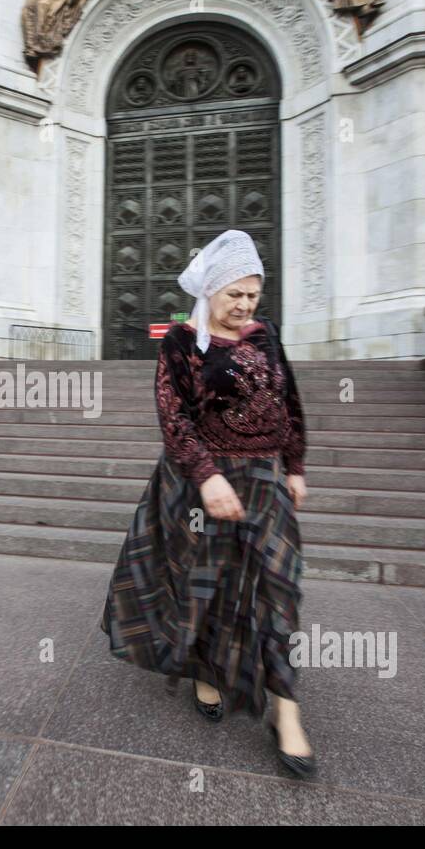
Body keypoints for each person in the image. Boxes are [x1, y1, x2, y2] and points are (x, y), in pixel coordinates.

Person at [99, 229, 315, 777]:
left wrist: (294, 464)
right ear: (211, 291)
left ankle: (285, 711)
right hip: (202, 482)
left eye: (252, 293)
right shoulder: (180, 342)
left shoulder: (266, 335)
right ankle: (205, 668)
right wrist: (209, 477)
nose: (244, 306)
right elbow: (175, 419)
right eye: (233, 295)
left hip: (264, 479)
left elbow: (287, 399)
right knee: (207, 583)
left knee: (278, 586)